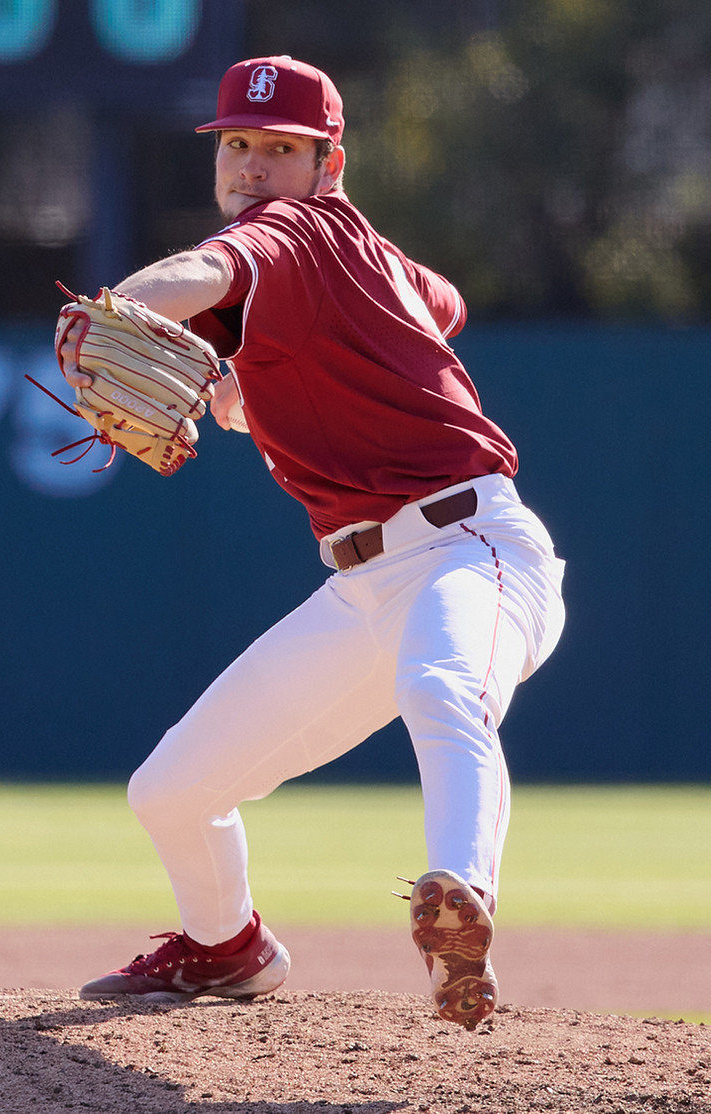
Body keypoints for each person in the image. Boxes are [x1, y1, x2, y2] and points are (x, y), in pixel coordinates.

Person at [59, 57, 566, 1028]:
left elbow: (211, 268)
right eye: (237, 145)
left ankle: (459, 901)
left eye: (280, 148)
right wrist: (257, 387)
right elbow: (443, 300)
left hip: (475, 549)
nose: (252, 165)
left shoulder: (285, 231)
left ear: (328, 163)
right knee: (170, 789)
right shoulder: (350, 251)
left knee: (441, 686)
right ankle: (226, 948)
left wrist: (113, 308)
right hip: (361, 588)